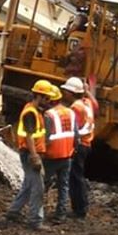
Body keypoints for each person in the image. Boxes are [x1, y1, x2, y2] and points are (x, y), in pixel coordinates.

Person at [6, 79, 51, 229]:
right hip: (29, 153)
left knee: (29, 184)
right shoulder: (30, 113)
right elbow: (29, 136)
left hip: (30, 152)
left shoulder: (35, 111)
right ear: (39, 96)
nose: (48, 101)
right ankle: (35, 220)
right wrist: (35, 156)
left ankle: (13, 211)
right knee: (38, 187)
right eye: (47, 97)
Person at [42, 82, 77, 223]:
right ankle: (61, 214)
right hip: (67, 155)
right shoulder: (71, 112)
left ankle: (38, 213)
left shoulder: (49, 115)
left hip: (51, 156)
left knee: (43, 185)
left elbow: (46, 138)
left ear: (50, 99)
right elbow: (76, 135)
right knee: (63, 186)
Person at [64, 76, 97, 218]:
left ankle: (79, 209)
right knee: (77, 176)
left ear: (71, 93)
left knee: (75, 177)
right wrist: (88, 91)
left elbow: (74, 129)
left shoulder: (75, 107)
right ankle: (81, 207)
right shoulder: (87, 103)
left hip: (79, 144)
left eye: (66, 91)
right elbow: (95, 105)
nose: (64, 93)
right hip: (86, 144)